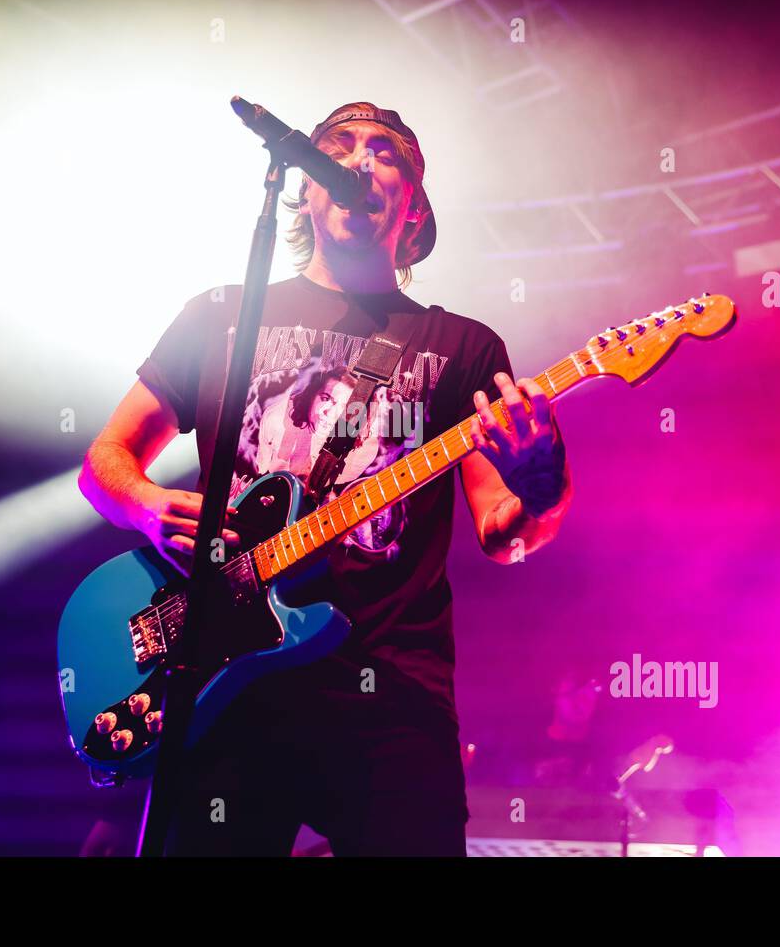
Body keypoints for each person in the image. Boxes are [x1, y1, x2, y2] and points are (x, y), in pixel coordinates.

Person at [77, 101, 573, 856]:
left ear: (414, 206)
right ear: (306, 186)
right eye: (340, 146)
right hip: (225, 679)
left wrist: (543, 482)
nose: (360, 160)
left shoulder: (464, 348)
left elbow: (504, 532)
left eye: (386, 154)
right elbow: (104, 464)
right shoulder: (222, 315)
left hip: (393, 692)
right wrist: (147, 507)